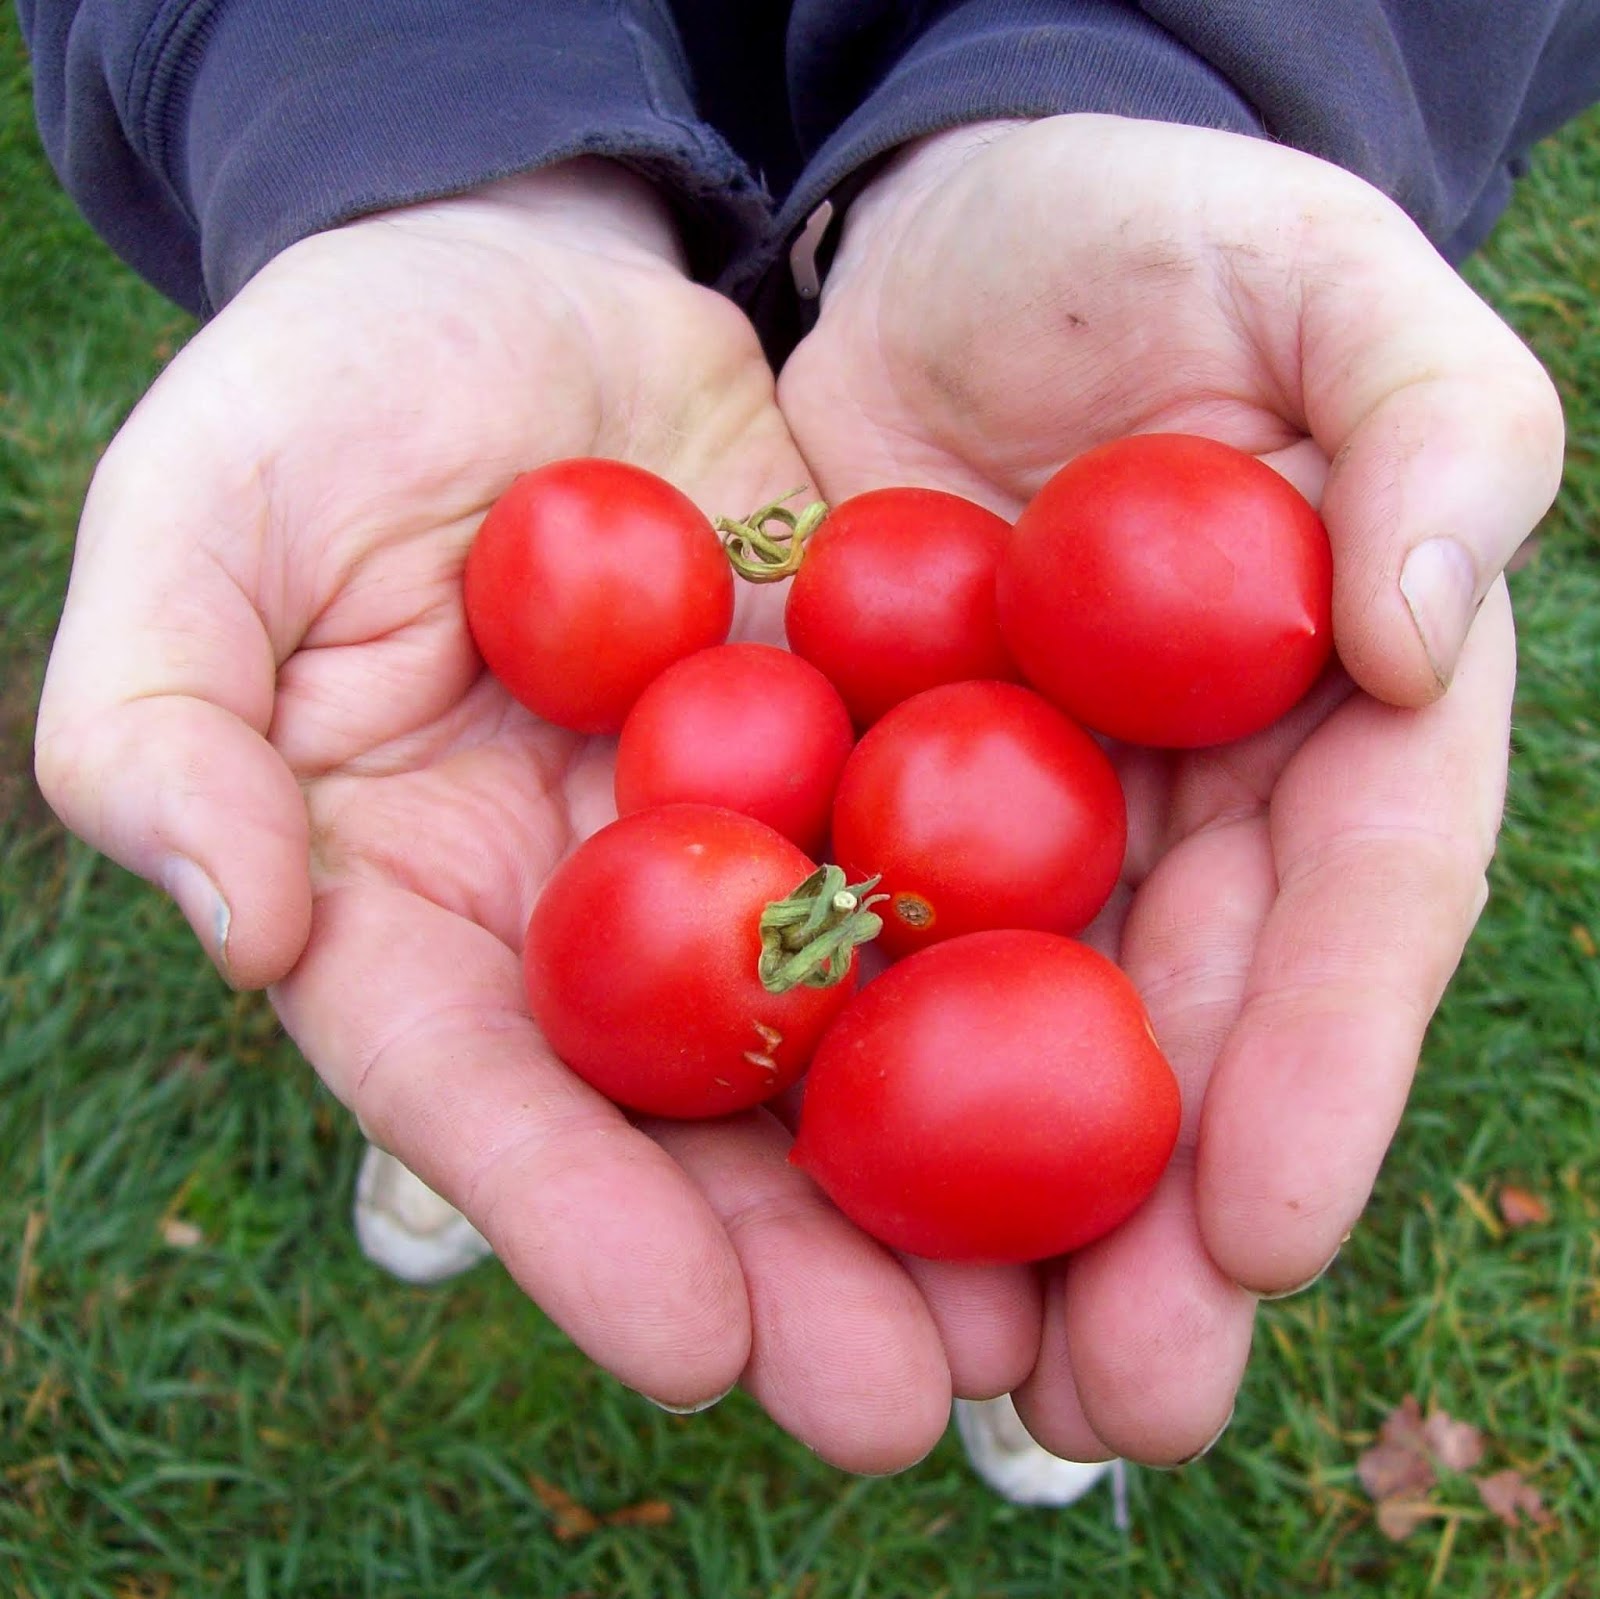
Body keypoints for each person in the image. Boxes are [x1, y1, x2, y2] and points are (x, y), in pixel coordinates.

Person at [21, 0, 1598, 1504]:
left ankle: (986, 1314)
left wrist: (1160, 71)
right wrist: (417, 142)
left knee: (1073, 1243)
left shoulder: (874, 745)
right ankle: (527, 1117)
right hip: (572, 141)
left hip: (1006, 217)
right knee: (505, 1019)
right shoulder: (777, 804)